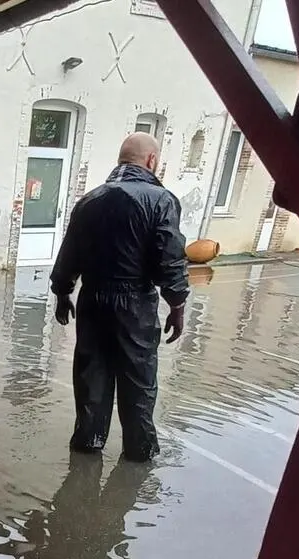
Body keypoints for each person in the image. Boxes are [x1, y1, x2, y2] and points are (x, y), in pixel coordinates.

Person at [50, 132, 189, 461]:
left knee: (91, 376)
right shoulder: (161, 200)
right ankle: (139, 452)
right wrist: (177, 303)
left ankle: (88, 443)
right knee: (138, 379)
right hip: (135, 302)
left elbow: (69, 254)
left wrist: (63, 292)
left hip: (93, 300)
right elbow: (170, 258)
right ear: (152, 160)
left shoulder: (89, 201)